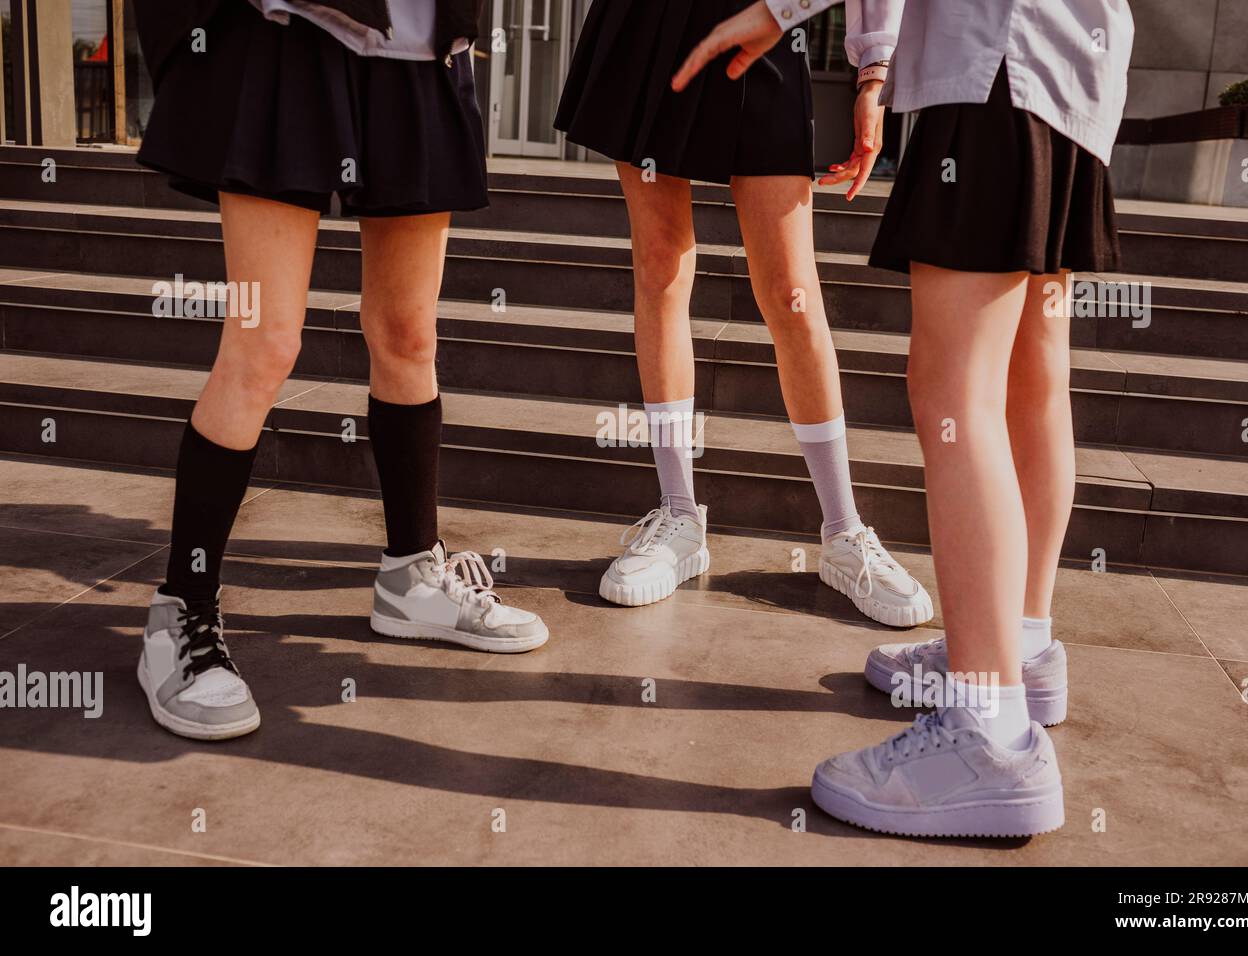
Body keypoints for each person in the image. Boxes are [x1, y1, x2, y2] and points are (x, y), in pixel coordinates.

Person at [675, 0, 1132, 837]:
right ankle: (1019, 649)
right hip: (1073, 72)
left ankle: (987, 732)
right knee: (1034, 376)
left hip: (995, 65)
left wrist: (783, 11)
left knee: (956, 393)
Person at [132, 0, 549, 742]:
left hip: (415, 52)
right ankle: (180, 612)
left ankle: (411, 575)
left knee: (407, 333)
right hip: (290, 32)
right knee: (264, 343)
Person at [554, 0, 933, 626]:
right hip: (647, 28)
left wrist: (874, 72)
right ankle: (679, 517)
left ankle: (844, 530)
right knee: (659, 263)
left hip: (769, 20)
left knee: (791, 291)